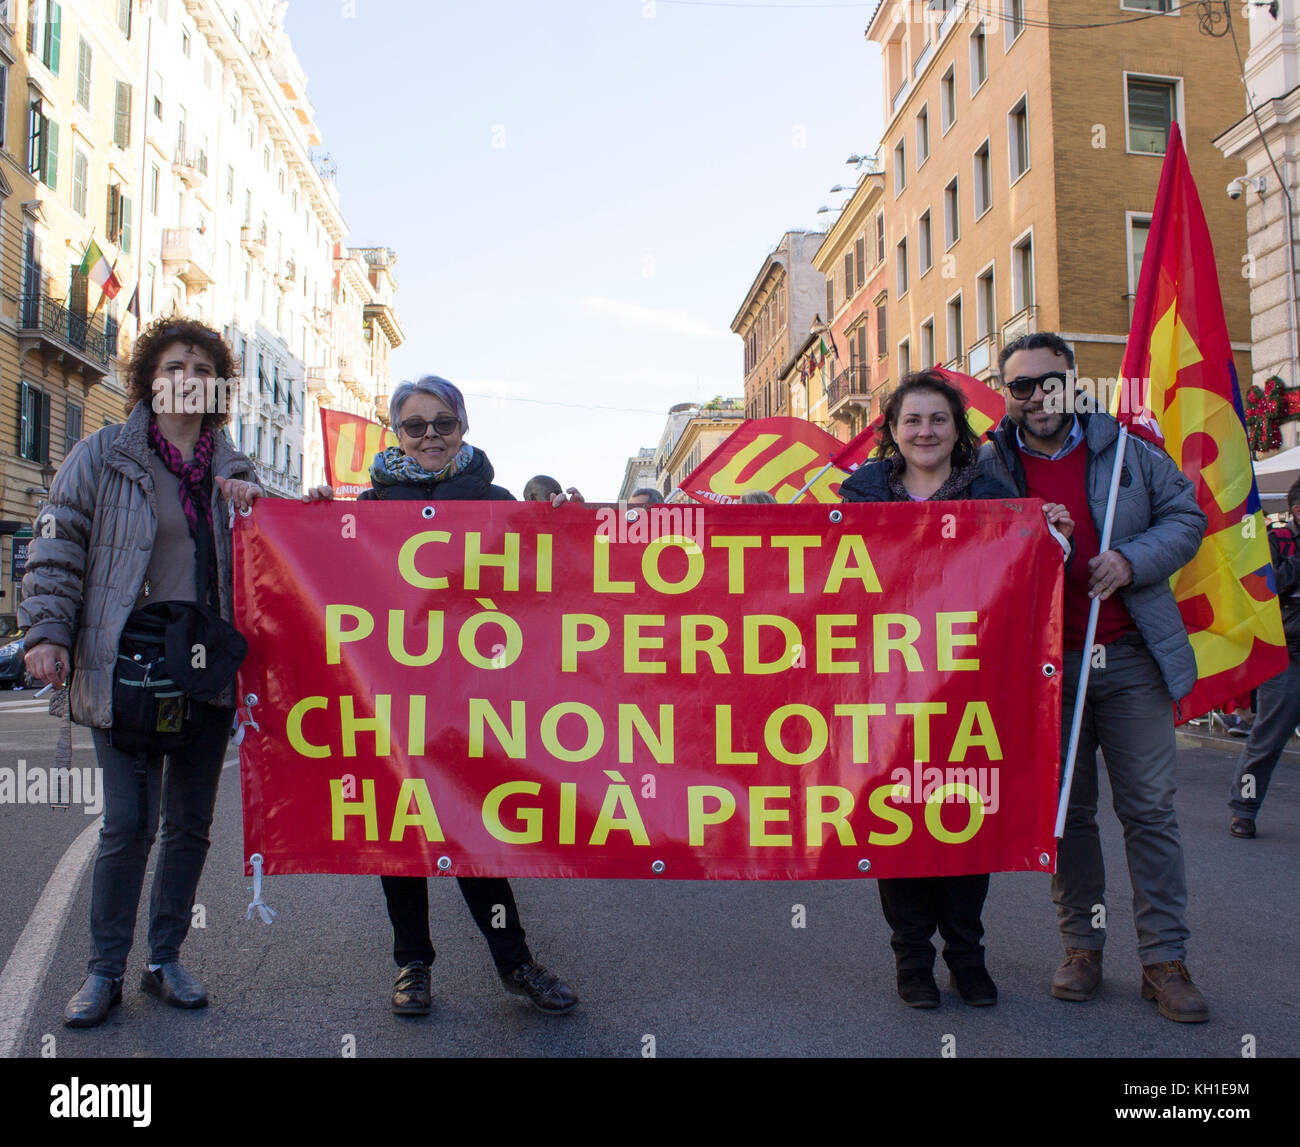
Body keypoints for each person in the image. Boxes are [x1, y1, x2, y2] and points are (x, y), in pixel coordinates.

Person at [304, 375, 578, 1016]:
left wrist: (570, 529)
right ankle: (413, 967)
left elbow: (547, 591)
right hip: (390, 702)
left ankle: (516, 964)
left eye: (443, 424)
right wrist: (311, 518)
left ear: (463, 428)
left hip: (475, 703)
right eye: (415, 425)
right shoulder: (364, 506)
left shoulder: (499, 501)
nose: (430, 436)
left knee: (477, 836)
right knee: (400, 838)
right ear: (395, 432)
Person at [20, 318, 263, 1028]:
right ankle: (102, 972)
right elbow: (57, 541)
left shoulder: (236, 471)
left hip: (203, 669)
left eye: (200, 365)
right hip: (123, 663)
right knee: (128, 824)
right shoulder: (105, 454)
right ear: (150, 378)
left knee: (190, 823)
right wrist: (45, 632)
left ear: (216, 384)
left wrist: (268, 507)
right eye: (173, 363)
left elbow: (280, 557)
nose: (187, 374)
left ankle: (164, 960)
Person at [981, 331, 1210, 1023]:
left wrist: (1132, 559)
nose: (1037, 396)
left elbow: (1187, 515)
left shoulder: (1129, 453)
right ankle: (1082, 946)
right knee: (1068, 817)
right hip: (1043, 668)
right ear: (1008, 394)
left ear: (1073, 381)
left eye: (1050, 381)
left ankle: (1164, 960)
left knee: (1149, 811)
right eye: (1021, 386)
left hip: (1130, 656)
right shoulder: (989, 467)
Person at [839, 370, 1073, 1009]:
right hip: (885, 691)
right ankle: (911, 960)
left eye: (938, 420)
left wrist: (1049, 532)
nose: (925, 431)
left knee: (965, 818)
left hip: (971, 691)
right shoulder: (856, 499)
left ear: (956, 430)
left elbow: (1032, 578)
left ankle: (967, 956)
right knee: (897, 824)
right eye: (912, 420)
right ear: (892, 431)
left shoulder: (996, 495)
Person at [1228, 476, 1300, 837]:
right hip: (1287, 657)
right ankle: (1244, 809)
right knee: (1268, 739)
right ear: (1297, 511)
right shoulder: (1277, 543)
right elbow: (1266, 588)